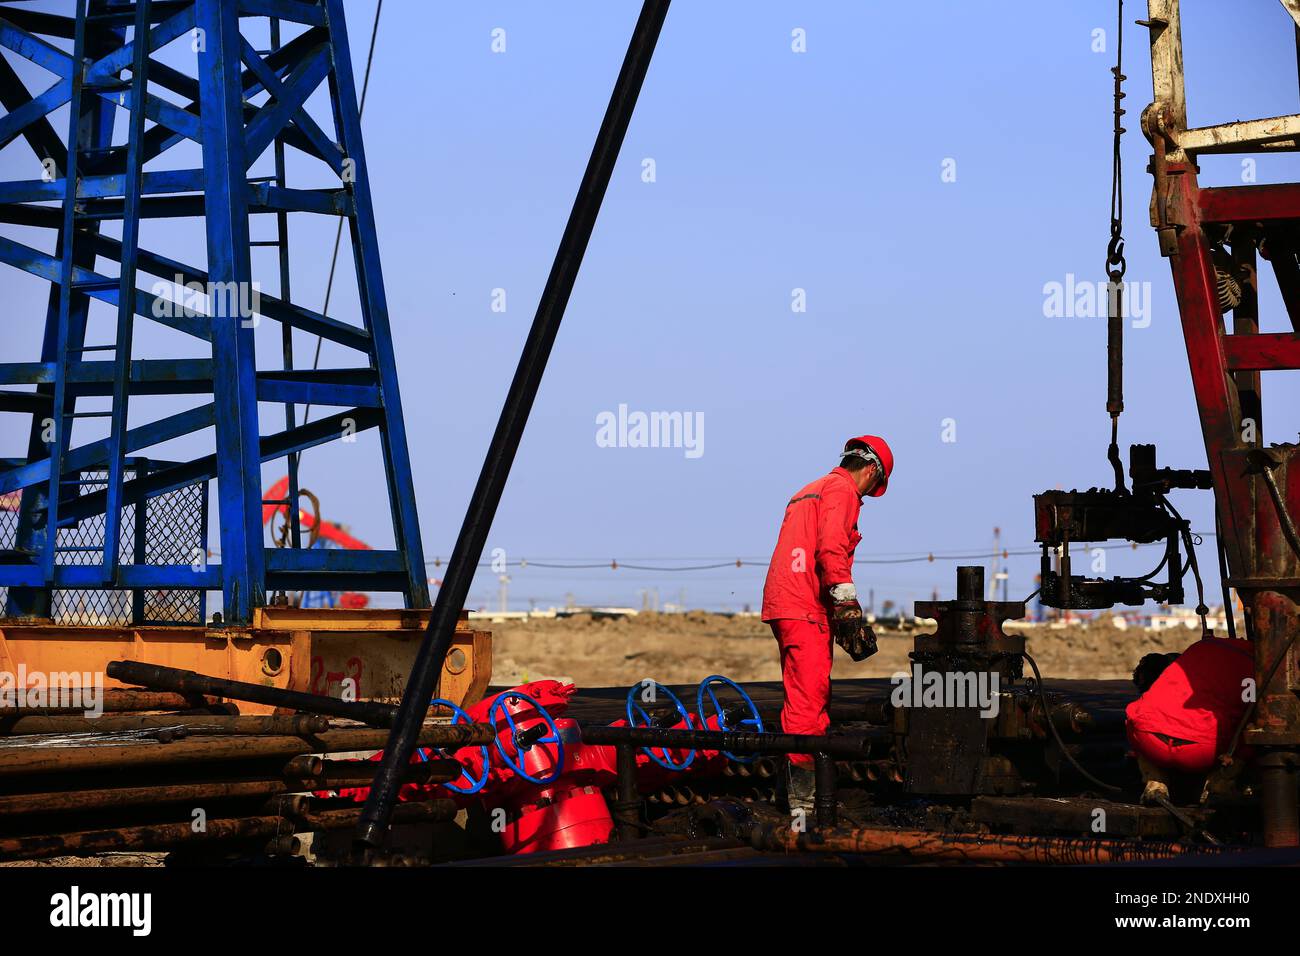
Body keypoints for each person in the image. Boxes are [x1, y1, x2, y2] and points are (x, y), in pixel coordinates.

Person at [761, 435, 894, 813]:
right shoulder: (843, 491)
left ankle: (790, 794)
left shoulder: (808, 490)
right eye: (874, 485)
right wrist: (847, 605)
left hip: (784, 601)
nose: (868, 495)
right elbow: (832, 548)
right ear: (871, 470)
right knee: (810, 701)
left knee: (798, 697)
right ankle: (805, 805)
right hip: (804, 606)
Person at [1125, 636, 1255, 803]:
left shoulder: (1203, 646)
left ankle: (1156, 781)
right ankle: (1219, 784)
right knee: (1255, 729)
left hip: (1150, 742)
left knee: (1136, 715)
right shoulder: (1257, 666)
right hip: (1203, 751)